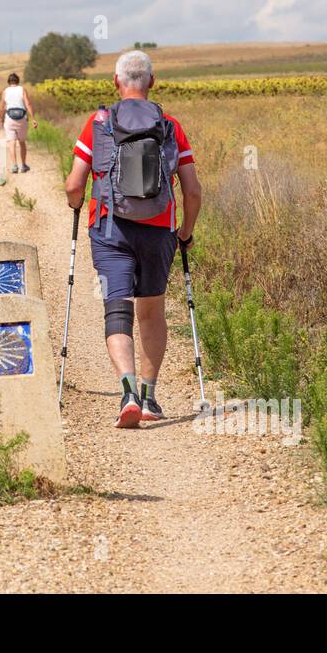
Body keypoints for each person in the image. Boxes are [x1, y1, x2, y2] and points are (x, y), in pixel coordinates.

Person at [63, 50, 202, 427]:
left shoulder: (98, 122)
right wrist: (184, 234)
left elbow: (75, 185)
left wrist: (76, 202)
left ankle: (126, 392)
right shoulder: (170, 126)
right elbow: (192, 192)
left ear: (115, 82)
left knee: (117, 308)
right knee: (152, 311)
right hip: (159, 230)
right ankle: (150, 396)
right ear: (152, 82)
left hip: (110, 229)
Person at [0, 72, 36, 173]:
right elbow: (28, 103)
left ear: (9, 82)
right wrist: (33, 118)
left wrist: (2, 119)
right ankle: (23, 165)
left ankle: (14, 166)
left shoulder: (5, 91)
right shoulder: (22, 89)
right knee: (22, 142)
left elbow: (2, 108)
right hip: (22, 118)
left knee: (11, 143)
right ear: (18, 81)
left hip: (9, 119)